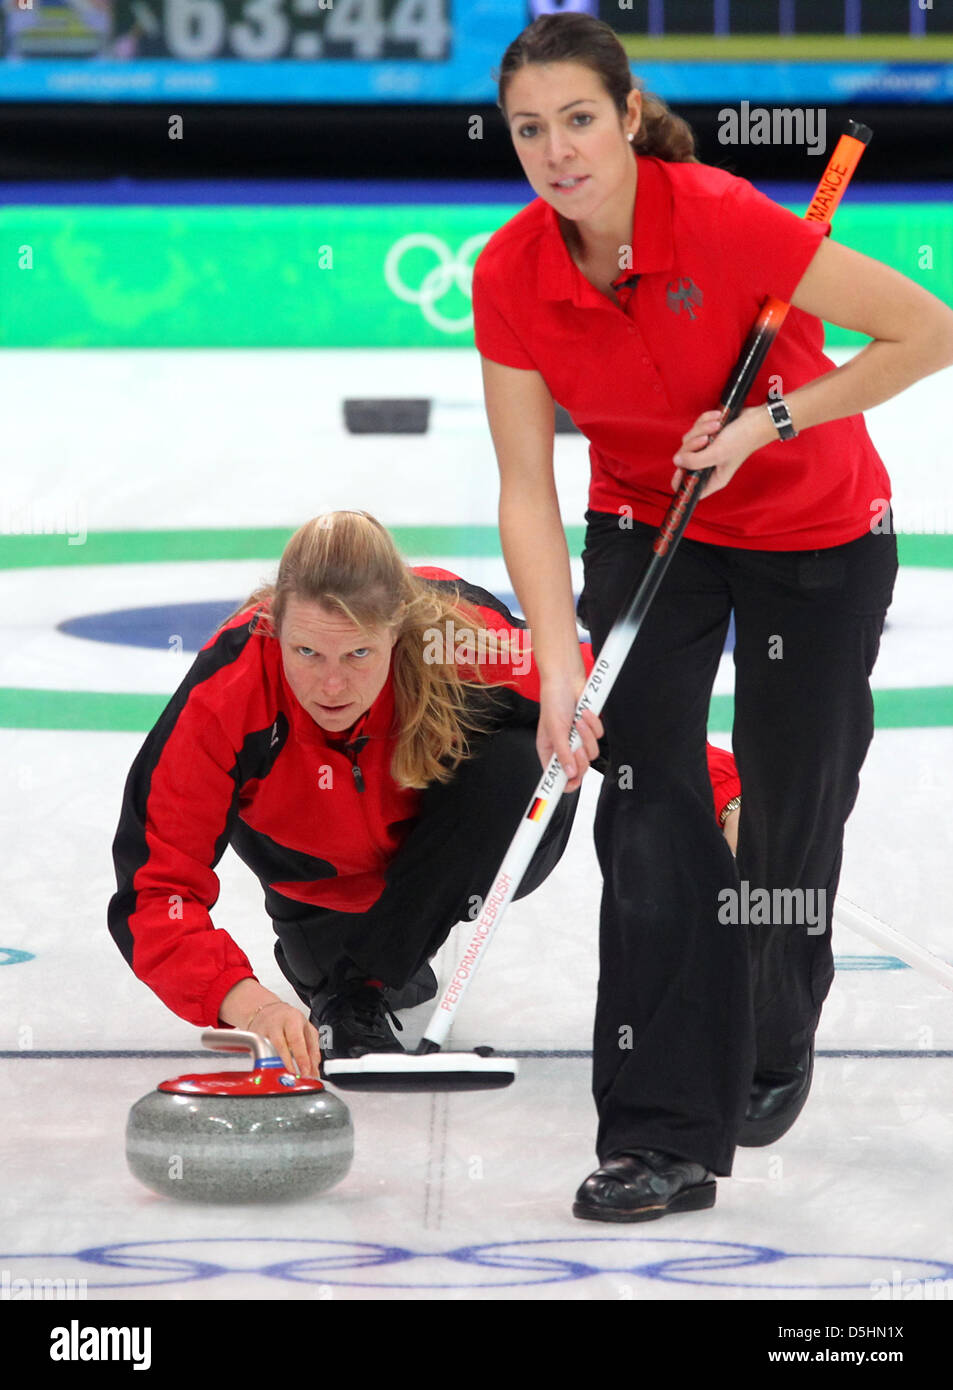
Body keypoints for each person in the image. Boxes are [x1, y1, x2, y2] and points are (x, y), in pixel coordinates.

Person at [473, 13, 953, 1222]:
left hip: (814, 528)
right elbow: (524, 487)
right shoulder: (510, 274)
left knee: (789, 811)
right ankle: (658, 1130)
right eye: (528, 129)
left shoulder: (724, 219)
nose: (555, 151)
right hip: (649, 527)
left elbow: (926, 330)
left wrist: (766, 422)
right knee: (646, 800)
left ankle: (775, 1019)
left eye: (577, 119)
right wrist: (555, 667)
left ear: (626, 116)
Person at [108, 509, 741, 1077]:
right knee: (345, 975)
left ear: (398, 629)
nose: (332, 686)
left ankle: (367, 979)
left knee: (521, 753)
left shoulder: (454, 636)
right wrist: (250, 1004)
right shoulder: (228, 691)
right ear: (273, 626)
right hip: (319, 898)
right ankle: (358, 973)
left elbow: (618, 707)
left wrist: (730, 802)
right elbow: (154, 891)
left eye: (359, 653)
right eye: (307, 652)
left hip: (453, 855)